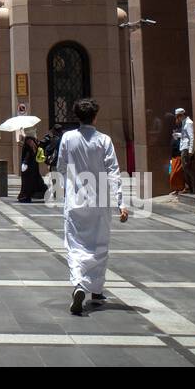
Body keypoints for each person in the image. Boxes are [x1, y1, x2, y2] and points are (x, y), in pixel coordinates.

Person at [54, 97, 128, 315]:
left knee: (75, 245)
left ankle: (79, 283)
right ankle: (96, 289)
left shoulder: (68, 137)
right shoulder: (104, 140)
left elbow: (60, 165)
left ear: (77, 116)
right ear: (95, 116)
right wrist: (121, 202)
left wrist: (65, 186)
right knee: (99, 245)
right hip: (100, 201)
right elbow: (113, 171)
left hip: (75, 201)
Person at [18, 130, 46, 203]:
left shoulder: (28, 141)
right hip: (33, 166)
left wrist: (25, 162)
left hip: (28, 166)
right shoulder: (34, 141)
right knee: (33, 181)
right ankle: (28, 195)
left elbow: (28, 153)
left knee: (27, 182)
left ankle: (25, 196)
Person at [174, 107, 195, 194]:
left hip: (186, 149)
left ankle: (193, 187)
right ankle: (189, 188)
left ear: (180, 116)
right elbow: (185, 136)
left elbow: (192, 137)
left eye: (177, 117)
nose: (177, 119)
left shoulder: (189, 123)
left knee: (186, 168)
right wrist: (178, 135)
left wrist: (191, 150)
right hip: (183, 147)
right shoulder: (184, 123)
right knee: (185, 168)